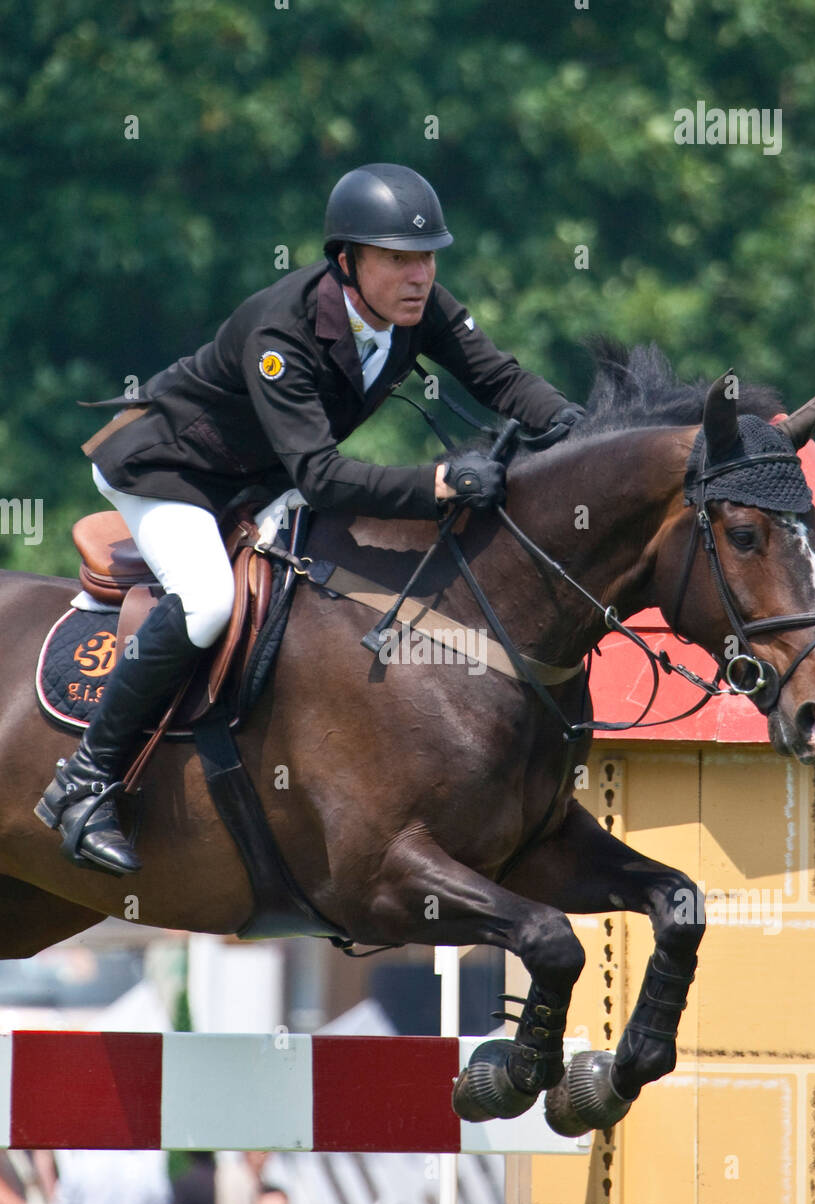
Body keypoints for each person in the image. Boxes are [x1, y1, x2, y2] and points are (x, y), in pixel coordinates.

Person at [36, 162, 584, 876]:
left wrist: (583, 431)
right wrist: (442, 483)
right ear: (348, 261)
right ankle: (85, 781)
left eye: (427, 257)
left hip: (261, 475)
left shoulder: (420, 308)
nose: (419, 274)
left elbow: (503, 380)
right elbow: (321, 477)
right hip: (170, 473)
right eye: (398, 259)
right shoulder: (281, 332)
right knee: (208, 603)